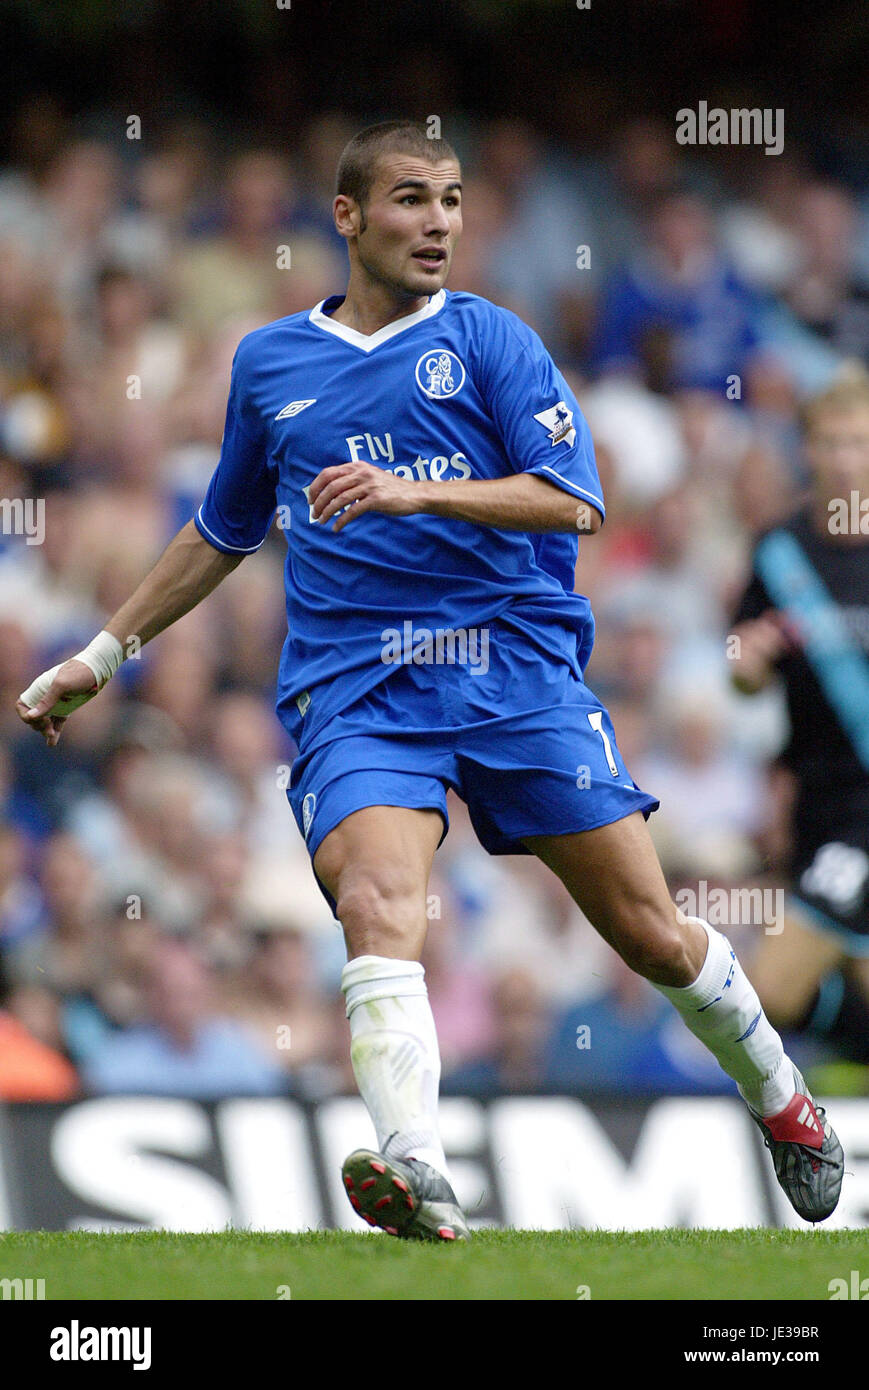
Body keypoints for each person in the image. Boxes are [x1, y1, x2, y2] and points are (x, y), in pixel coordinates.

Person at [17, 121, 843, 1241]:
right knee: (374, 901)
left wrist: (417, 494)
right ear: (348, 217)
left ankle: (779, 1095)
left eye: (451, 201)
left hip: (515, 672)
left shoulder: (493, 340)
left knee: (651, 931)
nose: (439, 223)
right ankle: (416, 1167)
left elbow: (573, 500)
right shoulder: (270, 364)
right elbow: (221, 529)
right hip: (356, 689)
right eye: (411, 200)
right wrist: (99, 654)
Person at [730, 370, 869, 1065]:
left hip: (864, 813)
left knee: (769, 992)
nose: (845, 458)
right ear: (807, 450)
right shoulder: (779, 551)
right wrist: (746, 664)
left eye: (858, 443)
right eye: (831, 443)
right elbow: (741, 660)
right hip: (816, 807)